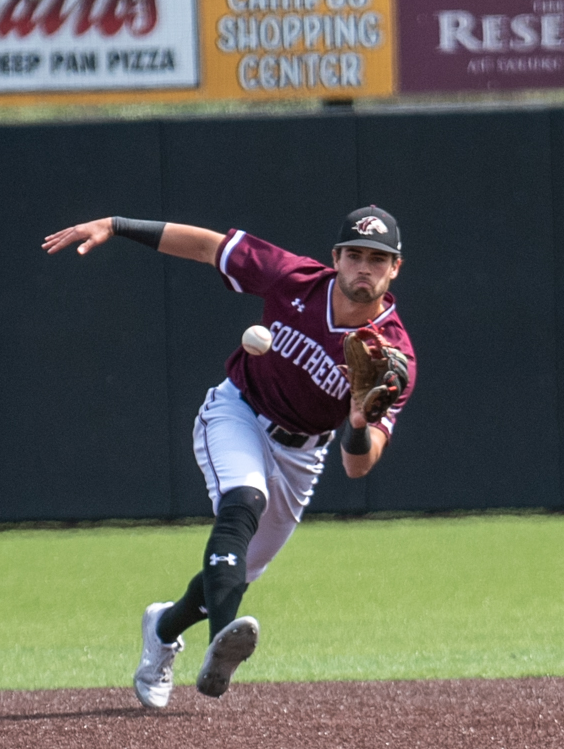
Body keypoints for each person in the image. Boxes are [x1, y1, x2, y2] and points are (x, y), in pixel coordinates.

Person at [42, 206, 416, 709]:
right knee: (244, 501)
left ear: (395, 268)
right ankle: (224, 640)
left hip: (304, 456)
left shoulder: (395, 358)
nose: (363, 268)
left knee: (235, 573)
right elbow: (206, 246)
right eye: (354, 255)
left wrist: (354, 421)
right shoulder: (294, 279)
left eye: (377, 258)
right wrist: (116, 226)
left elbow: (357, 466)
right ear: (337, 258)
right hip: (238, 411)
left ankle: (163, 627)